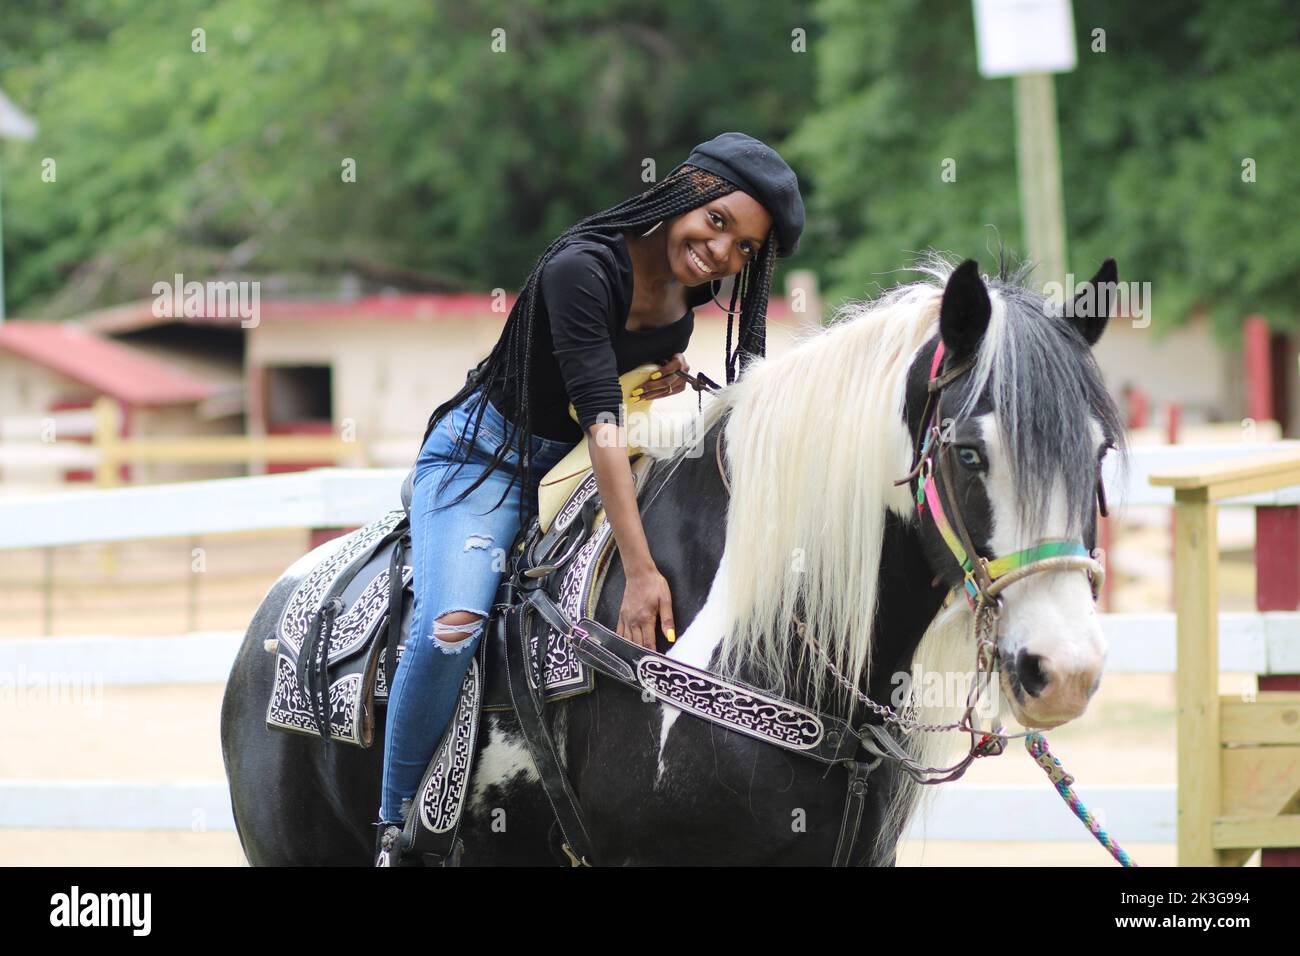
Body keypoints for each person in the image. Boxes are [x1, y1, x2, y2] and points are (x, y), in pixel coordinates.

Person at [374, 132, 805, 864]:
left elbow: (619, 376)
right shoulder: (583, 268)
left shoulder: (689, 279)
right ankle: (396, 827)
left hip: (578, 459)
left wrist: (657, 372)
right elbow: (600, 421)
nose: (721, 253)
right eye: (721, 223)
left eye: (744, 250)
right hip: (487, 460)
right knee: (452, 625)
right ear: (688, 190)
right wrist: (639, 573)